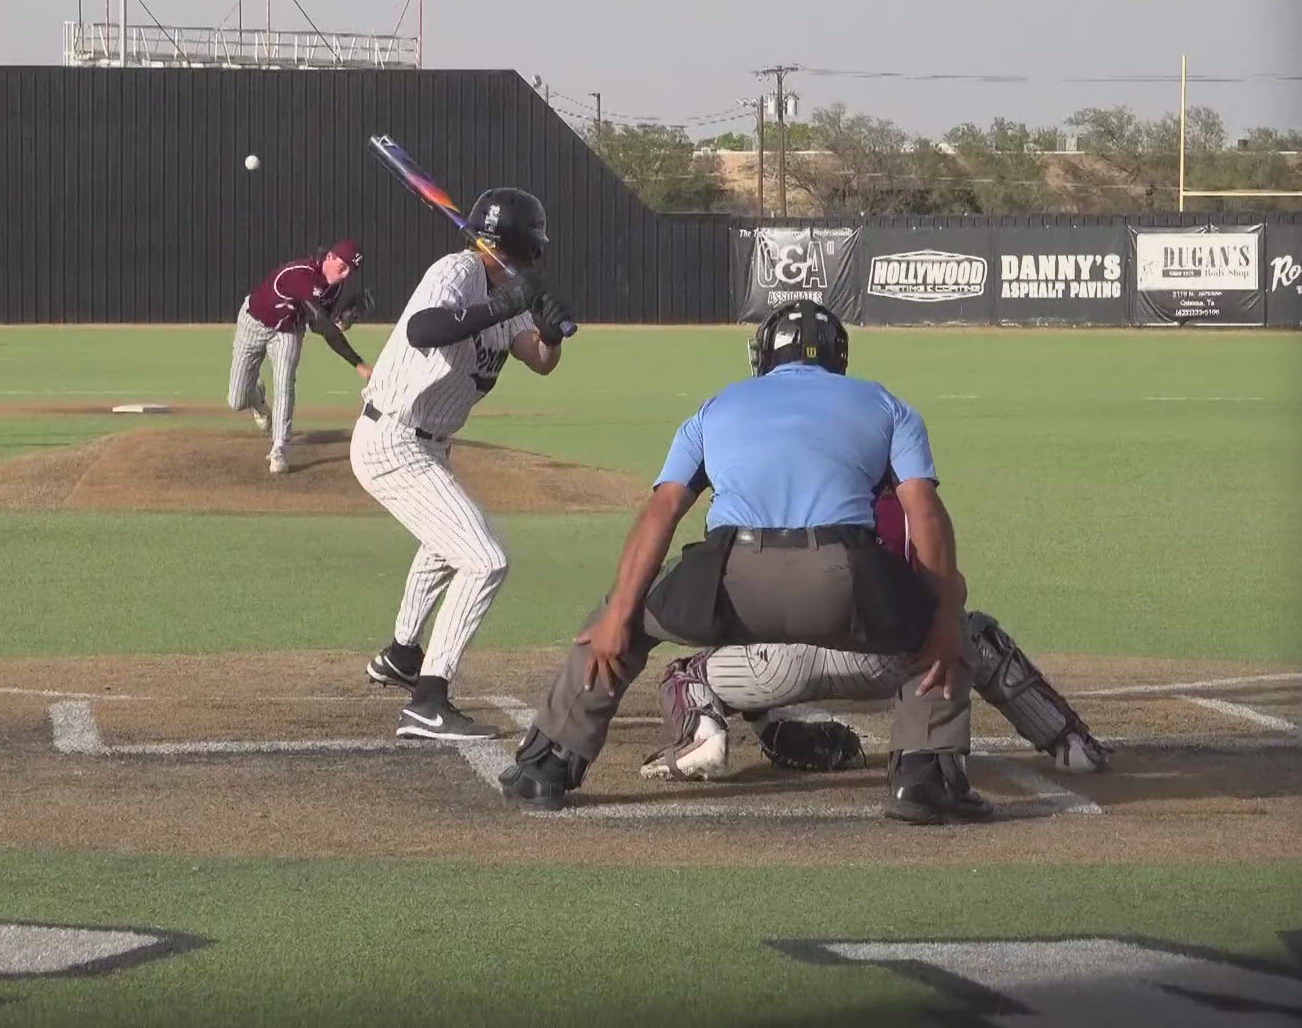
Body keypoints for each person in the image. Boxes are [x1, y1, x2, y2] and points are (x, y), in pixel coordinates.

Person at [499, 300, 989, 823]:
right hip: (844, 582)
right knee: (942, 621)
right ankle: (925, 779)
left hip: (729, 581)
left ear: (763, 356)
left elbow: (663, 509)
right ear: (838, 358)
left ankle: (546, 765)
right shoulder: (887, 405)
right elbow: (924, 512)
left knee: (614, 622)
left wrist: (620, 615)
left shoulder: (716, 407)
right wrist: (940, 618)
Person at [639, 490, 1112, 785]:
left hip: (771, 664)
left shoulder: (752, 489)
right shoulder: (894, 492)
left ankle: (702, 734)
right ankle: (1071, 745)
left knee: (688, 674)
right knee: (973, 635)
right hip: (883, 659)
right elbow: (931, 584)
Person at [354, 188, 576, 741]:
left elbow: (541, 362)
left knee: (445, 547)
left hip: (429, 444)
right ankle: (429, 701)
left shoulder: (508, 293)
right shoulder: (456, 271)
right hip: (394, 437)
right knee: (486, 560)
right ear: (527, 247)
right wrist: (504, 305)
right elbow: (421, 331)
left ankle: (403, 655)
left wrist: (547, 327)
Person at [225, 240, 373, 473]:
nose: (344, 275)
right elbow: (321, 323)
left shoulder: (335, 288)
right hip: (253, 323)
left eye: (350, 272)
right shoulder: (301, 274)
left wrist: (340, 323)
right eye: (342, 267)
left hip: (288, 332)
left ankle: (280, 447)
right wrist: (358, 363)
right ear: (330, 258)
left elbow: (318, 326)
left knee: (284, 384)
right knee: (236, 401)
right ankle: (258, 400)